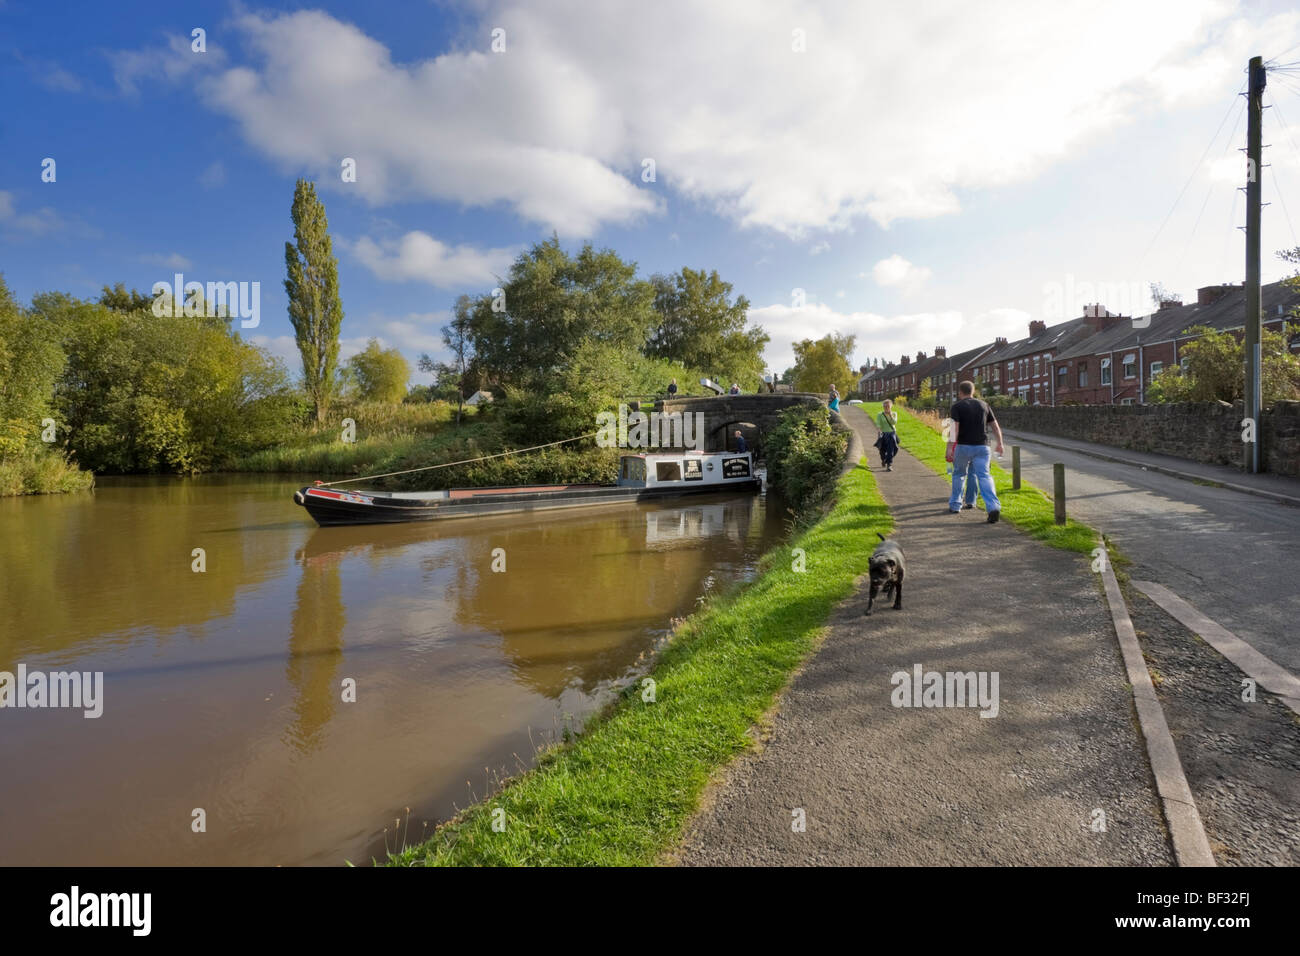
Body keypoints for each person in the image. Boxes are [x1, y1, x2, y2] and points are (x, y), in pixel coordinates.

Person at [946, 381, 1003, 522]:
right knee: (984, 476)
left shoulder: (957, 407)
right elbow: (995, 427)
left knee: (959, 474)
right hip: (982, 447)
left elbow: (955, 430)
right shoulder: (984, 405)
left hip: (963, 446)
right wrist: (1000, 443)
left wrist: (949, 448)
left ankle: (955, 505)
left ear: (960, 392)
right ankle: (992, 506)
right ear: (973, 391)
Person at [874, 399, 899, 471]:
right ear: (883, 406)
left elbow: (894, 423)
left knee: (892, 449)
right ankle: (884, 459)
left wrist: (890, 415)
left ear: (891, 406)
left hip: (892, 434)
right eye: (885, 406)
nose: (886, 407)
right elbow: (878, 423)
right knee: (882, 450)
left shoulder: (894, 413)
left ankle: (889, 464)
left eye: (888, 406)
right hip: (883, 433)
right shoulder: (880, 414)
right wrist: (879, 430)